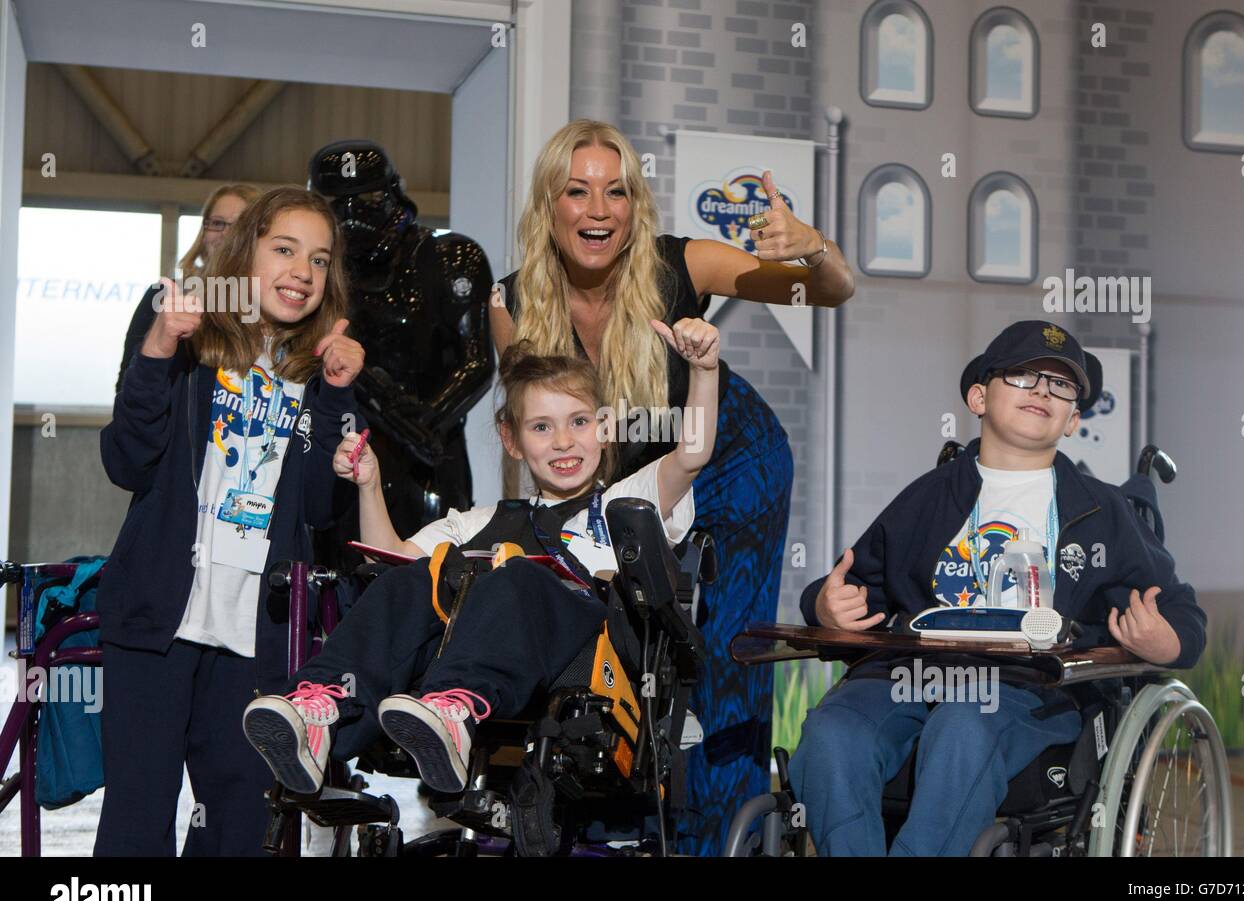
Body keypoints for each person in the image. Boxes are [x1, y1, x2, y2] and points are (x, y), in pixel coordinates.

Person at [490, 118, 856, 854]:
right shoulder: (511, 303)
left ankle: (721, 833)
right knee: (614, 639)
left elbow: (831, 291)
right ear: (548, 205)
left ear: (635, 204)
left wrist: (811, 247)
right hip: (637, 479)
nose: (599, 209)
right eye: (578, 190)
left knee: (714, 653)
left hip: (732, 461)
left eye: (617, 191)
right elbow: (540, 429)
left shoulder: (678, 262)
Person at [241, 319, 718, 801]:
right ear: (512, 440)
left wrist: (704, 369)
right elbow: (389, 564)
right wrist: (368, 485)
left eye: (579, 421)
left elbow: (693, 453)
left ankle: (456, 712)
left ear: (607, 427)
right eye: (541, 427)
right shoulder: (480, 521)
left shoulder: (621, 501)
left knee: (515, 576)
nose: (562, 442)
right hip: (470, 664)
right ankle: (321, 713)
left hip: (583, 669)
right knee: (410, 580)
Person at [789, 321, 1206, 856]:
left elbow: (1181, 611)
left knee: (963, 727)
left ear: (1074, 418)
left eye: (1061, 386)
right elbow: (851, 587)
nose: (1041, 390)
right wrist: (825, 604)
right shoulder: (927, 499)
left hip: (1026, 688)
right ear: (979, 396)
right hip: (908, 676)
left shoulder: (1103, 512)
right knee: (831, 735)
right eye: (1024, 375)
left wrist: (1164, 642)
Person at [94, 187, 365, 856]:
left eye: (320, 259)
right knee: (137, 822)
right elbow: (125, 460)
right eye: (284, 249)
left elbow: (318, 508)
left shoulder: (315, 368)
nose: (303, 270)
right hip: (158, 621)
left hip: (257, 636)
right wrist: (159, 349)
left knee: (240, 826)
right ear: (244, 252)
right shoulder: (189, 344)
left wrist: (334, 394)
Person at [307, 140, 494, 569]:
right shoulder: (317, 273)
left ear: (393, 192)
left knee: (430, 578)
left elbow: (478, 362)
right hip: (345, 452)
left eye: (368, 199)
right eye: (339, 205)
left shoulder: (449, 257)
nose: (353, 215)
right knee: (340, 577)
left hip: (430, 457)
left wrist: (423, 423)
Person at [115, 183, 260, 392]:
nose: (225, 234)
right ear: (203, 233)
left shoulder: (271, 307)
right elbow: (128, 385)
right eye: (217, 223)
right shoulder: (164, 295)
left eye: (239, 225)